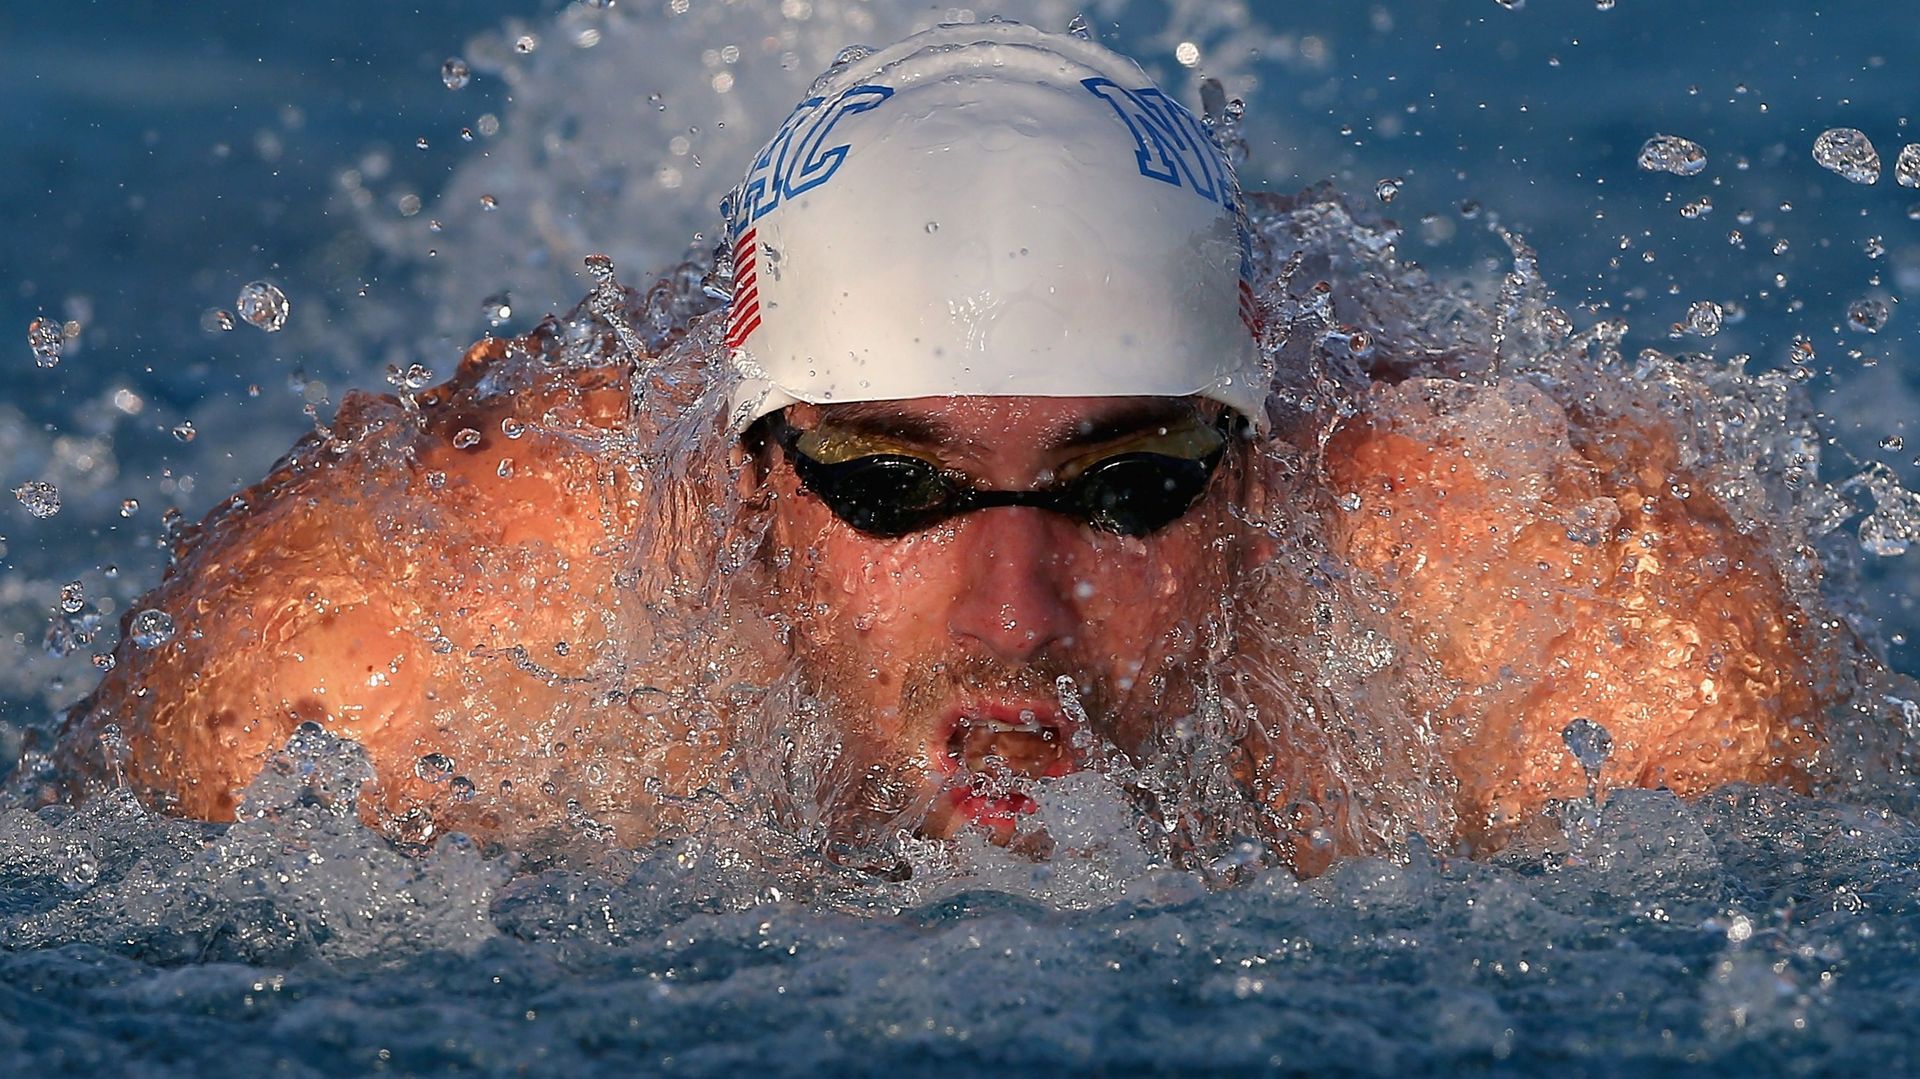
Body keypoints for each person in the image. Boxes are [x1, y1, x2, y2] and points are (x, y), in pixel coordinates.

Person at [42, 22, 1821, 871]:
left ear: (1266, 474)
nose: (1015, 617)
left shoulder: (1581, 615)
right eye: (888, 488)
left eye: (1132, 487)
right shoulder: (380, 654)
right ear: (741, 485)